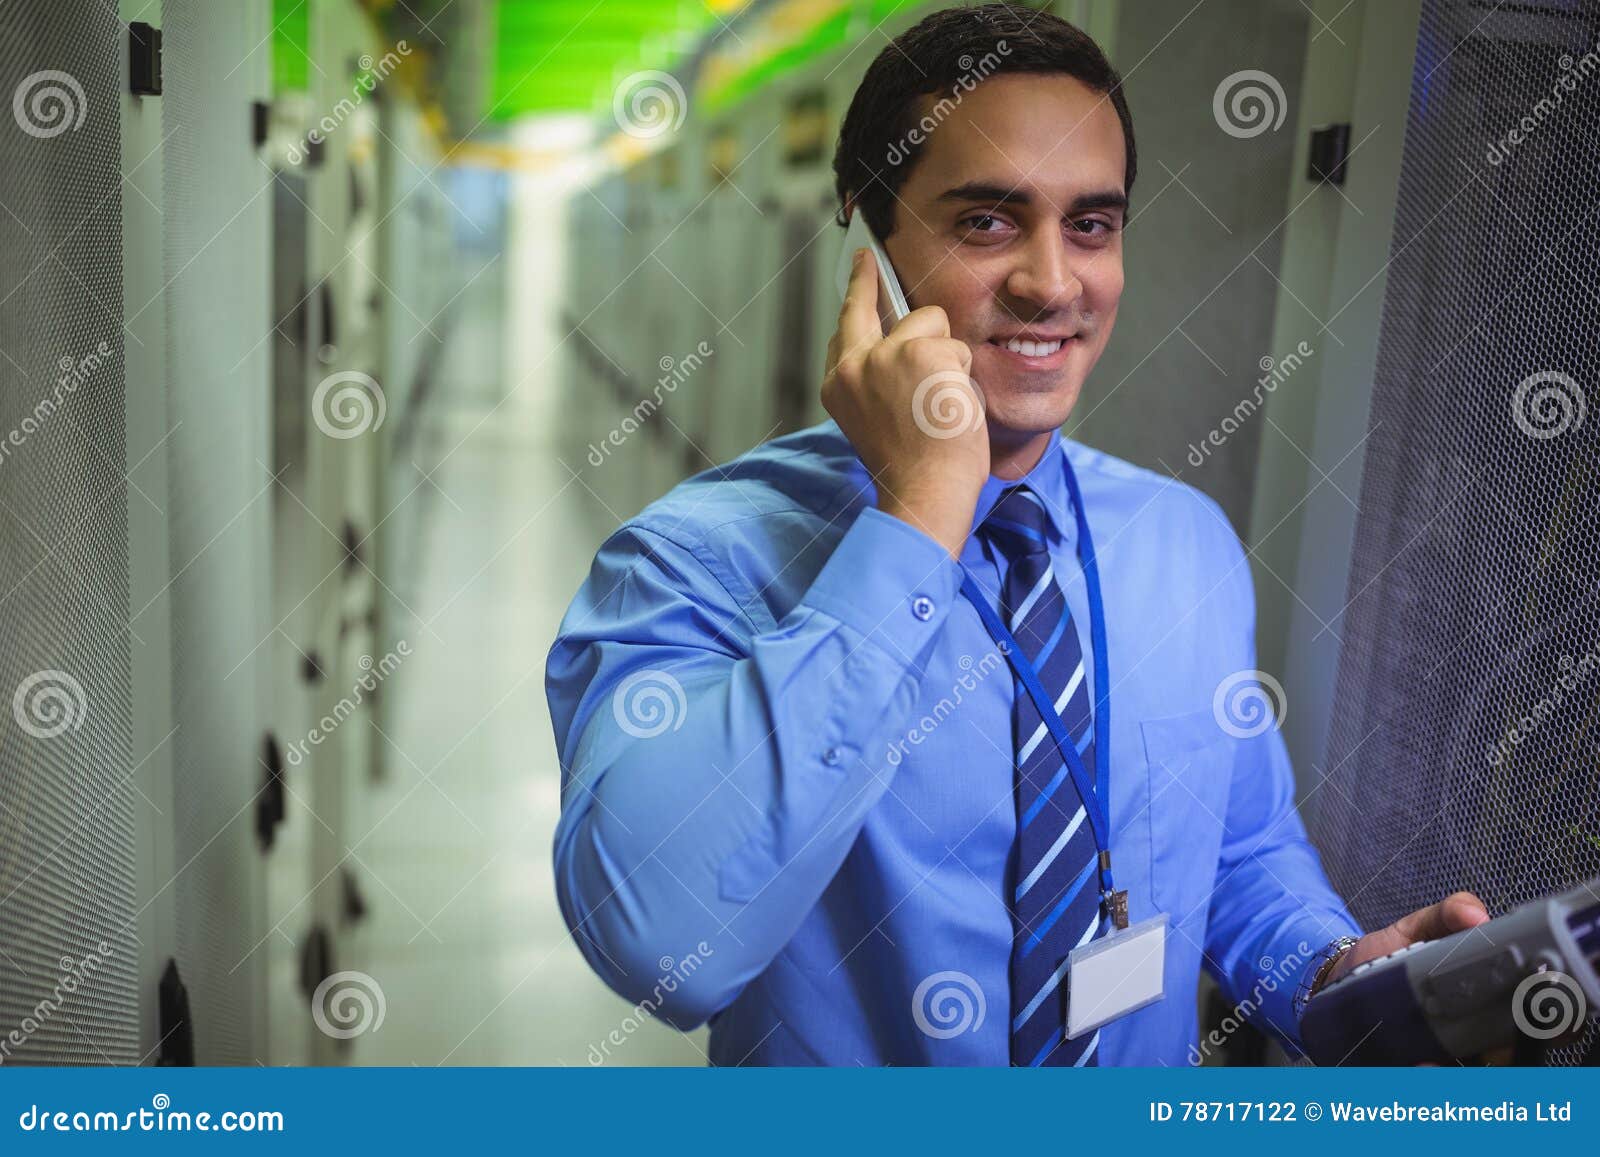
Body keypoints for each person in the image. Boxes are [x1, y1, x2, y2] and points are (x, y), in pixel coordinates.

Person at [545, 2, 1487, 1066]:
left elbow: (1232, 852)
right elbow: (660, 942)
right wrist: (916, 518)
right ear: (868, 241)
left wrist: (1333, 974)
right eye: (987, 221)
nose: (1050, 282)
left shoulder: (1180, 542)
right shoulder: (691, 558)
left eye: (1091, 223)